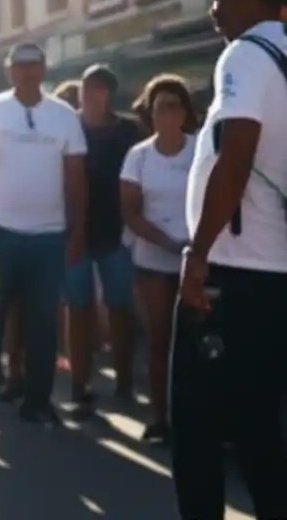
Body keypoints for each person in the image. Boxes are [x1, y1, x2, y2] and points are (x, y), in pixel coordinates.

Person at [175, 0, 287, 519]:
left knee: (197, 432)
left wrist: (199, 254)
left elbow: (236, 153)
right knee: (261, 430)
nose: (214, 8)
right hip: (276, 274)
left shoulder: (246, 53)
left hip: (234, 271)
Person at [0, 42, 87, 424]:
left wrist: (77, 231)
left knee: (43, 324)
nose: (27, 72)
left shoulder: (64, 116)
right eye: (20, 66)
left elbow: (76, 178)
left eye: (33, 65)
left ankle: (38, 401)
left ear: (43, 68)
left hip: (49, 237)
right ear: (9, 71)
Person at [120, 74, 197, 444]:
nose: (167, 114)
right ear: (150, 114)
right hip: (153, 260)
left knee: (197, 341)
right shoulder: (139, 156)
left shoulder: (202, 150)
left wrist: (197, 245)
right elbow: (131, 212)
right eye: (159, 108)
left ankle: (197, 417)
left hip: (197, 261)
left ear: (184, 112)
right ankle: (158, 417)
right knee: (159, 339)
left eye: (173, 106)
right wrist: (166, 242)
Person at [65, 65, 141, 415]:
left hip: (116, 231)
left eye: (96, 89)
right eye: (85, 88)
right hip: (75, 231)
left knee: (119, 308)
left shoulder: (129, 130)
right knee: (77, 310)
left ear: (108, 93)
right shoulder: (69, 125)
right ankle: (80, 383)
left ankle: (124, 381)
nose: (89, 95)